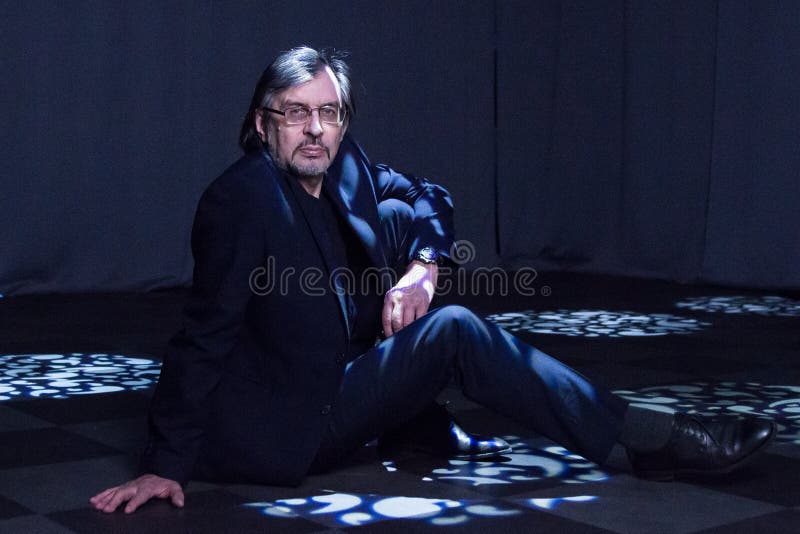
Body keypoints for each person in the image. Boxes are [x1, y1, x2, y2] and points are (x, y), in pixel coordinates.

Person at [91, 46, 775, 514]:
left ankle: (409, 418)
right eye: (296, 113)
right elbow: (202, 336)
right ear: (261, 123)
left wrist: (422, 271)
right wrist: (166, 464)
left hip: (343, 346)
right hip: (295, 415)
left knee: (395, 215)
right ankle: (643, 439)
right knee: (454, 331)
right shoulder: (240, 201)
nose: (315, 130)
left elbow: (430, 196)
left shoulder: (340, 157)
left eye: (327, 113)